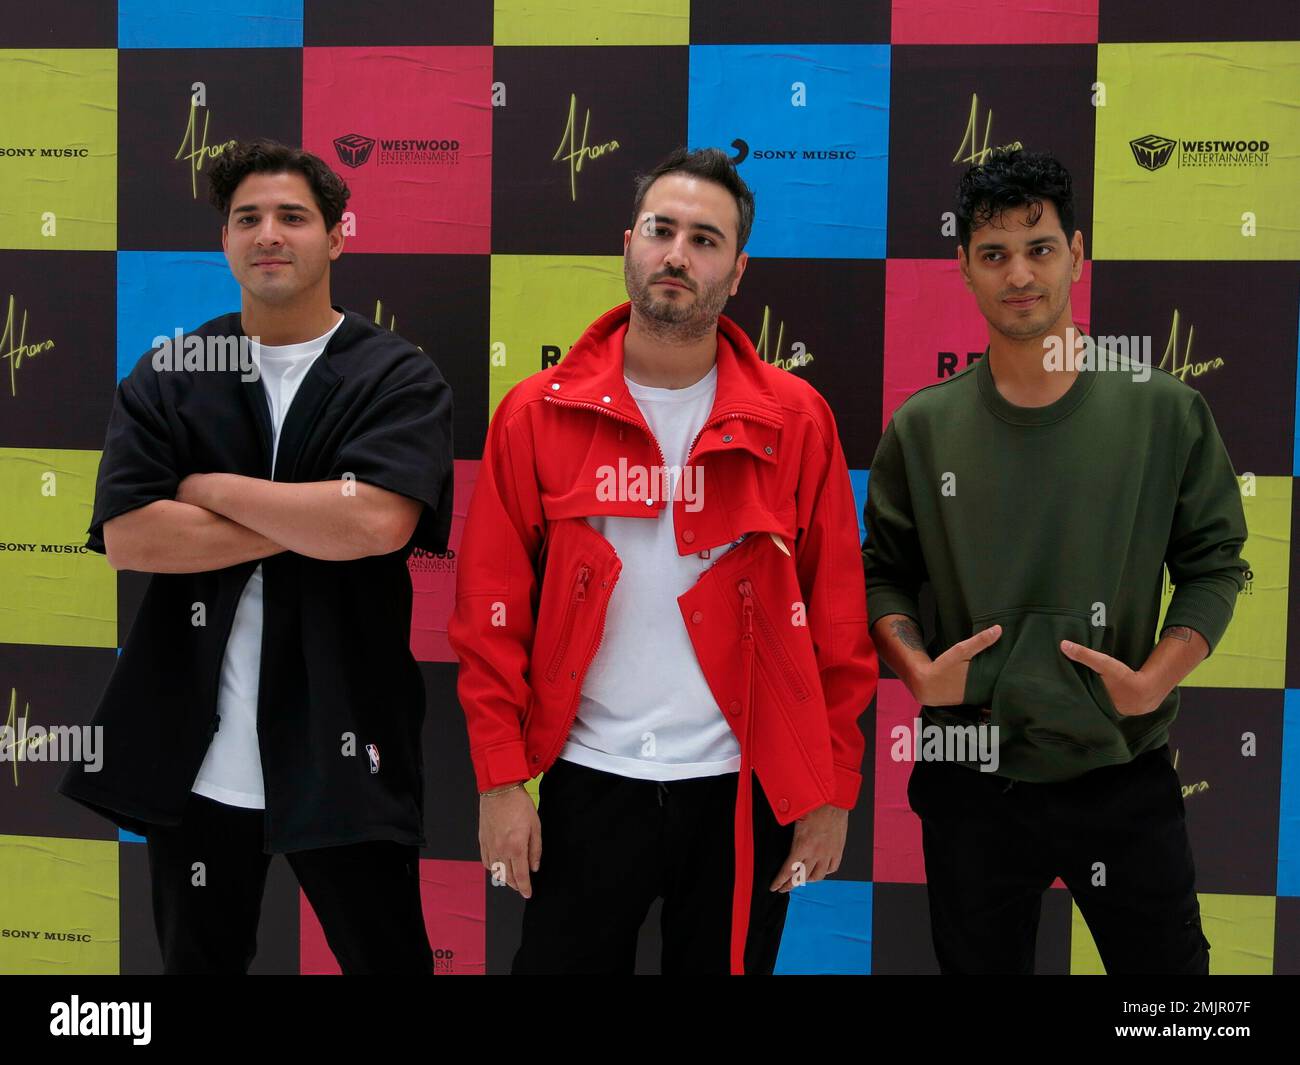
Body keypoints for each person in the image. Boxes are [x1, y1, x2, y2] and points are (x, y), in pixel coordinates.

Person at [448, 146, 877, 974]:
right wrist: (501, 782)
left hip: (744, 789)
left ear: (739, 269)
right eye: (662, 230)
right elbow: (489, 613)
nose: (678, 254)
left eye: (706, 239)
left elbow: (838, 623)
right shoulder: (537, 413)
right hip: (588, 777)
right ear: (629, 243)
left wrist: (830, 790)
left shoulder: (796, 419)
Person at [60, 139, 454, 975]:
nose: (268, 234)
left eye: (292, 217)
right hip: (195, 766)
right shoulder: (172, 372)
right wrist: (317, 516)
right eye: (248, 219)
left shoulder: (396, 376)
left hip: (346, 751)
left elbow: (380, 524)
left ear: (338, 236)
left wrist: (210, 486)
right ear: (226, 241)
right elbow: (131, 538)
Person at [863, 148, 1249, 974]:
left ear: (1077, 254)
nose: (1019, 273)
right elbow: (881, 571)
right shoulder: (923, 428)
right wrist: (918, 671)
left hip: (1121, 764)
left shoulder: (1165, 410)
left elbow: (1217, 562)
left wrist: (1153, 680)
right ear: (962, 268)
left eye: (1039, 247)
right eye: (994, 253)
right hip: (969, 767)